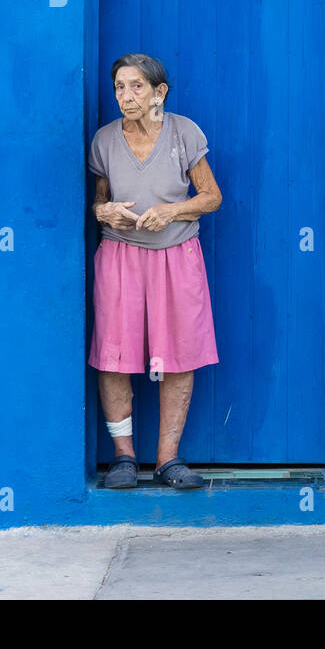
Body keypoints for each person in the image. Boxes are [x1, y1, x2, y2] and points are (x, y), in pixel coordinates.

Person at [87, 53, 223, 489]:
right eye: (120, 87)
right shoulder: (104, 140)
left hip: (177, 254)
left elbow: (211, 196)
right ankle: (123, 457)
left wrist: (171, 212)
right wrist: (105, 211)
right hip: (121, 255)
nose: (126, 96)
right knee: (114, 354)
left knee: (180, 354)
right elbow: (98, 202)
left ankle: (168, 460)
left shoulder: (184, 133)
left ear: (159, 92)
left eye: (137, 87)